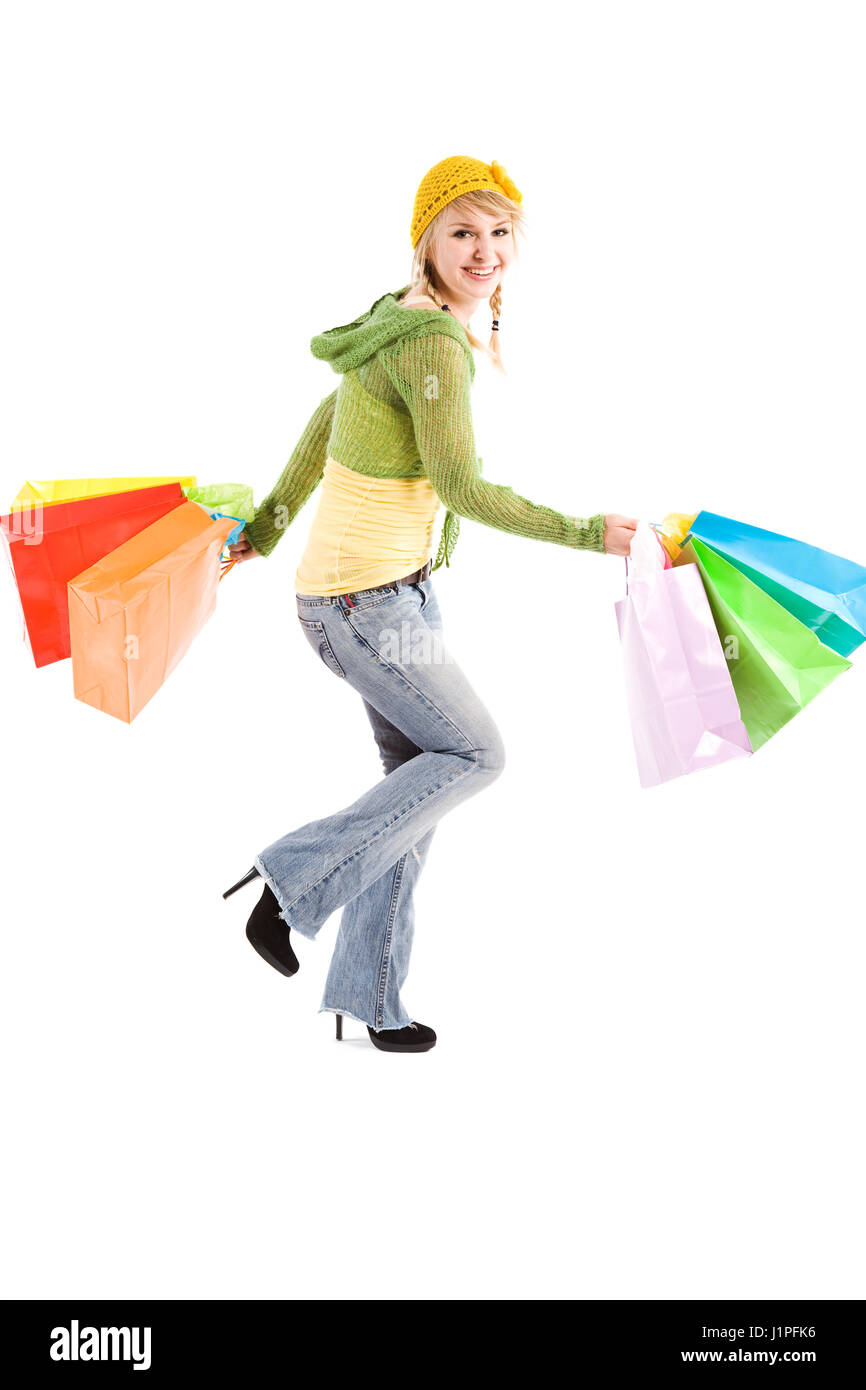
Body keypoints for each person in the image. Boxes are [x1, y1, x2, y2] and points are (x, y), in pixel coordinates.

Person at [222, 155, 638, 1054]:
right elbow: (463, 485)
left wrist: (263, 527)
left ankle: (369, 999)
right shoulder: (430, 341)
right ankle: (289, 882)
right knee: (477, 754)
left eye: (498, 233)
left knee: (419, 788)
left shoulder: (404, 315)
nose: (483, 252)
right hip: (363, 604)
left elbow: (325, 427)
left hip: (390, 591)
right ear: (427, 243)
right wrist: (589, 532)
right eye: (462, 233)